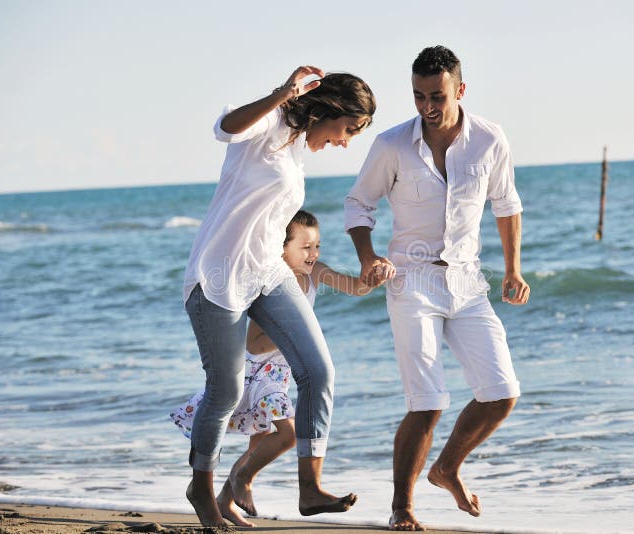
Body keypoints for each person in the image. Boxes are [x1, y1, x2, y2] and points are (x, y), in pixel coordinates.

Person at [344, 46, 530, 531]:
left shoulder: (490, 139)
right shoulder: (391, 145)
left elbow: (506, 205)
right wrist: (369, 258)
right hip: (412, 281)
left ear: (460, 90)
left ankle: (446, 468)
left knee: (502, 392)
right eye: (419, 95)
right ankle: (401, 508)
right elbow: (358, 206)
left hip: (468, 281)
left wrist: (513, 269)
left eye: (437, 95)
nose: (427, 106)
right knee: (426, 401)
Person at [182, 66, 376, 527]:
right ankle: (201, 486)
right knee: (226, 389)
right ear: (329, 110)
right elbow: (224, 128)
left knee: (319, 371)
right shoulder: (269, 124)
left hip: (268, 271)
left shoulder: (294, 154)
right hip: (219, 274)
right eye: (347, 129)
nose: (345, 141)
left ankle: (308, 488)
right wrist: (282, 93)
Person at [173, 210, 373, 526]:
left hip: (280, 375)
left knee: (260, 441)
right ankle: (240, 479)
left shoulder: (315, 272)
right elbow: (254, 344)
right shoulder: (272, 284)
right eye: (305, 247)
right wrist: (294, 337)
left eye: (317, 246)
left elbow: (355, 288)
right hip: (258, 374)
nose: (314, 254)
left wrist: (371, 277)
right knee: (288, 434)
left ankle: (226, 498)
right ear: (281, 249)